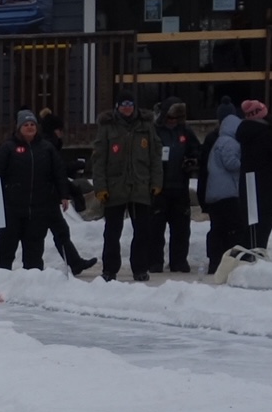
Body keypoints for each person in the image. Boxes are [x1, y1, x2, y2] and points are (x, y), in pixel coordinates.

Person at [90, 92, 160, 281]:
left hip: (140, 186)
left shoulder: (146, 125)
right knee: (112, 233)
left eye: (130, 104)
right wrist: (100, 187)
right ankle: (110, 269)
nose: (127, 107)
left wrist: (156, 183)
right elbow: (98, 160)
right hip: (114, 188)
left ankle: (140, 268)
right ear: (117, 107)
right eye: (123, 104)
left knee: (143, 231)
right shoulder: (107, 127)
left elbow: (155, 156)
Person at [0, 110, 68, 270]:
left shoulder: (46, 148)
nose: (30, 127)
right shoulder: (8, 148)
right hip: (12, 208)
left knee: (34, 248)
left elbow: (58, 173)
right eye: (26, 124)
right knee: (5, 246)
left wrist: (63, 195)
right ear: (19, 127)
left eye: (32, 124)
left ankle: (33, 278)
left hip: (38, 209)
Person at [30, 107, 92, 274]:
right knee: (45, 234)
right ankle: (34, 268)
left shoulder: (48, 144)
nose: (62, 134)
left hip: (49, 196)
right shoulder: (48, 145)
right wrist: (74, 171)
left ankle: (73, 263)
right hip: (44, 198)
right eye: (60, 130)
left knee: (59, 232)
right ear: (55, 130)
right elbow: (57, 171)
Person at [152, 99, 202, 274]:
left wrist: (192, 161)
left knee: (181, 228)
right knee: (156, 228)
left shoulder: (186, 131)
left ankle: (179, 261)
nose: (173, 121)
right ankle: (155, 261)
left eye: (176, 118)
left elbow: (197, 150)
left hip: (180, 186)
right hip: (158, 188)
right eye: (170, 117)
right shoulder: (155, 131)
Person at [203, 110, 250, 273]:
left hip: (214, 193)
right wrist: (246, 163)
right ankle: (232, 260)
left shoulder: (218, 141)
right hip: (227, 193)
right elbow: (231, 163)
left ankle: (215, 261)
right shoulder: (230, 143)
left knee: (217, 228)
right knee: (234, 227)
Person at [237, 98, 272, 250]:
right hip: (267, 187)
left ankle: (249, 255)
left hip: (249, 185)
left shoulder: (244, 133)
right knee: (263, 228)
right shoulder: (267, 135)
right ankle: (257, 255)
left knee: (251, 228)